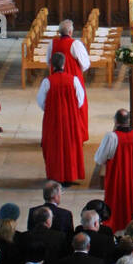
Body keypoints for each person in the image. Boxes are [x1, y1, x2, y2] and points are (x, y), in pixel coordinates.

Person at [92, 110, 133, 233]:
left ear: (115, 121)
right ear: (129, 121)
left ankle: (117, 225)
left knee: (118, 203)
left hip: (118, 179)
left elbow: (99, 159)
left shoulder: (111, 137)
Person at [36, 54, 85, 186]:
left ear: (52, 65)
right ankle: (70, 176)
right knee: (71, 145)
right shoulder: (74, 80)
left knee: (53, 146)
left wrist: (52, 109)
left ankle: (56, 175)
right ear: (64, 64)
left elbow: (41, 101)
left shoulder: (47, 82)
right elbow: (80, 100)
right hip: (71, 118)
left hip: (53, 119)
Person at [47, 19, 90, 142]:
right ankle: (77, 136)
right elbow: (86, 64)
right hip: (73, 81)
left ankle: (58, 136)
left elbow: (48, 62)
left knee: (57, 109)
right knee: (76, 107)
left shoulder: (52, 44)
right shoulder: (76, 44)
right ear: (71, 32)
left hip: (55, 81)